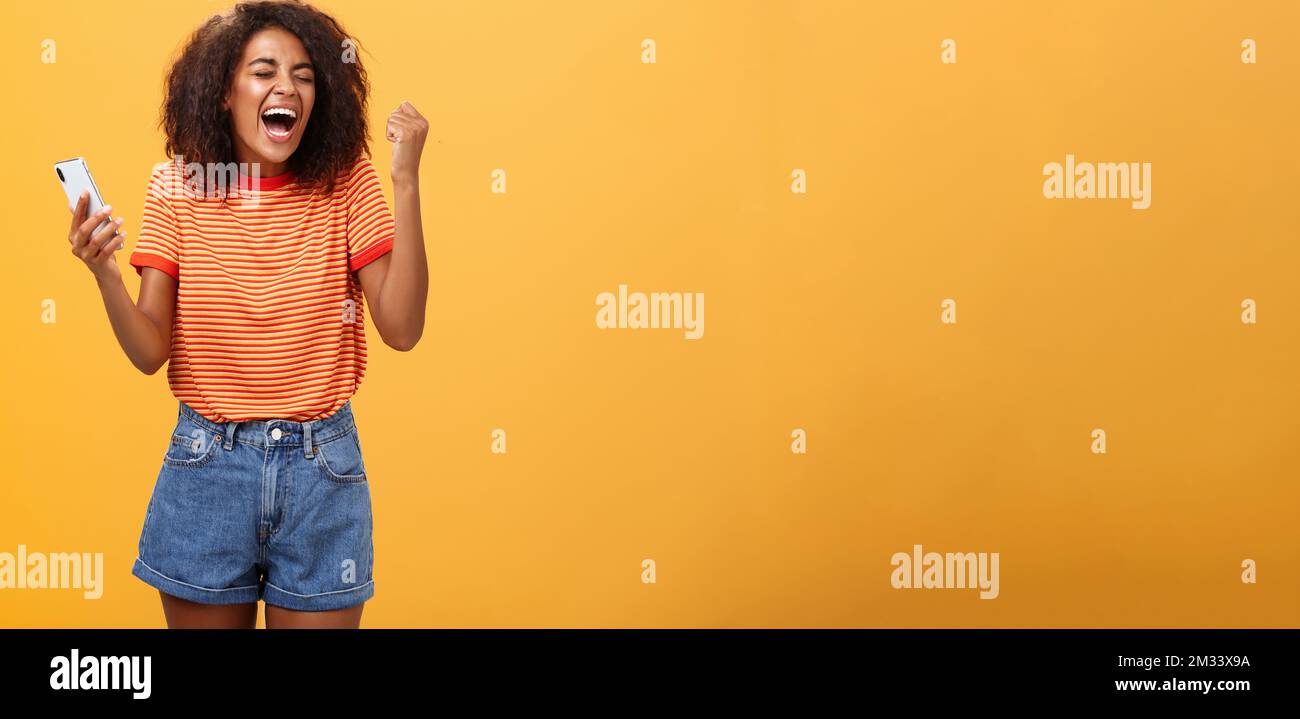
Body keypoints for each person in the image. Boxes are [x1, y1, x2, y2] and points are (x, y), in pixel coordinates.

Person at [65, 0, 428, 628]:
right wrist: (104, 274)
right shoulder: (177, 187)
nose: (286, 86)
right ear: (224, 92)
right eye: (264, 71)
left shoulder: (348, 182)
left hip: (323, 473)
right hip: (207, 468)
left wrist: (406, 182)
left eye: (304, 74)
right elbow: (151, 351)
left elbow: (401, 329)